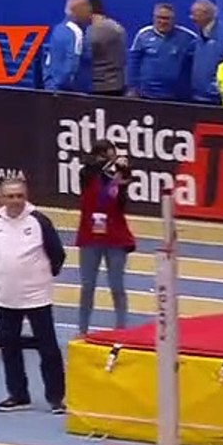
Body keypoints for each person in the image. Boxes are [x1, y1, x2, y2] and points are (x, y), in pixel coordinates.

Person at [0, 178, 67, 414]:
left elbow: (57, 254)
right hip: (6, 297)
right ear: (2, 198)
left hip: (37, 296)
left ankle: (56, 398)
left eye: (19, 196)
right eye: (10, 196)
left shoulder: (39, 221)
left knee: (48, 348)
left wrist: (42, 277)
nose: (15, 201)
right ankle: (18, 395)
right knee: (10, 348)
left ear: (26, 196)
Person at [76, 139, 135, 335]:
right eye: (105, 154)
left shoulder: (118, 177)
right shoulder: (87, 173)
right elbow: (93, 169)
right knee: (87, 286)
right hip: (91, 236)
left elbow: (123, 192)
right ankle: (83, 330)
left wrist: (121, 172)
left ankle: (121, 328)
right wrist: (111, 163)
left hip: (115, 237)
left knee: (117, 285)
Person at [127, 2, 197, 101]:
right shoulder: (143, 35)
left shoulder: (188, 37)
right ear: (153, 18)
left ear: (174, 19)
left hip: (177, 96)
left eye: (166, 18)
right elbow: (134, 62)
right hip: (147, 94)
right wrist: (132, 87)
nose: (162, 21)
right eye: (159, 17)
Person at [44, 0, 93, 93]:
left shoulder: (58, 29)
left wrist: (50, 84)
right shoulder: (76, 33)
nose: (90, 15)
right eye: (88, 10)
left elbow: (48, 61)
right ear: (78, 11)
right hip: (69, 94)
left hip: (53, 89)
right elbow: (72, 66)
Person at [189, 0, 223, 104]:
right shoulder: (200, 34)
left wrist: (216, 89)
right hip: (198, 96)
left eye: (195, 14)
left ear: (207, 14)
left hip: (216, 99)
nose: (191, 18)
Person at [86, 0, 126, 97]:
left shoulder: (96, 30)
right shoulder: (116, 26)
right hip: (117, 84)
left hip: (100, 87)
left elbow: (84, 54)